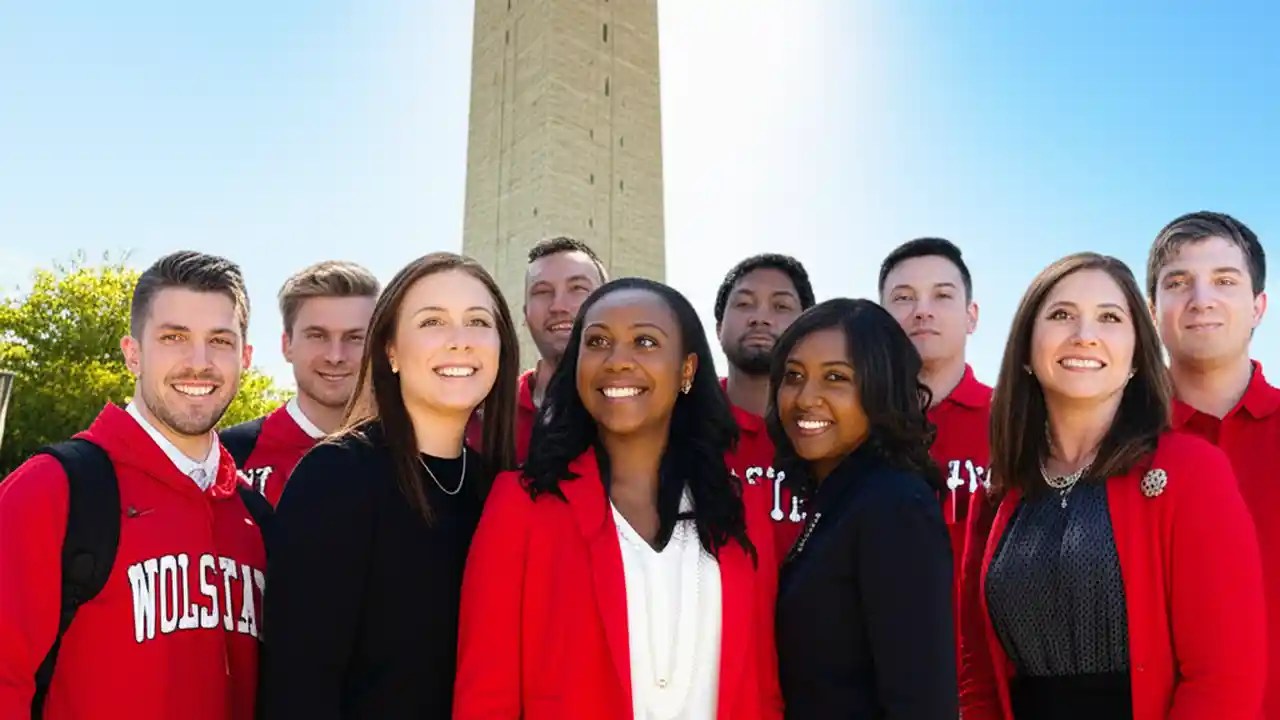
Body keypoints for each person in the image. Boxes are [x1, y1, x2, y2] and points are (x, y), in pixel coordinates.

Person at [454, 278, 782, 719]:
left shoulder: (742, 511)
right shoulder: (520, 506)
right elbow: (485, 697)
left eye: (645, 341)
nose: (617, 361)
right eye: (598, 342)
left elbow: (762, 692)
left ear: (687, 370)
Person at [960, 252, 1265, 719]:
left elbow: (1224, 678)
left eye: (1109, 317)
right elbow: (976, 672)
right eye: (1061, 315)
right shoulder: (998, 494)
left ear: (1137, 357)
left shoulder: (1192, 470)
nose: (1085, 335)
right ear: (1025, 350)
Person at [0, 251, 267, 719]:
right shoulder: (52, 490)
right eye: (174, 337)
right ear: (133, 353)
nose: (199, 362)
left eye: (220, 341)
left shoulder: (256, 516)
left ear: (244, 357)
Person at [259, 252, 519, 719]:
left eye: (478, 321)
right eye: (433, 321)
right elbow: (297, 689)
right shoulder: (337, 477)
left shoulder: (502, 491)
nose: (459, 341)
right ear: (391, 350)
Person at [770, 298, 956, 719]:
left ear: (879, 390)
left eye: (836, 378)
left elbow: (922, 702)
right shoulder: (837, 502)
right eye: (793, 376)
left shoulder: (893, 505)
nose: (805, 397)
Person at [1145, 211, 1280, 718]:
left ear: (1258, 306)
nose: (1202, 300)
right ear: (1152, 310)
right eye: (1178, 283)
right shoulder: (1111, 447)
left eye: (1225, 281)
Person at [878, 237, 993, 678]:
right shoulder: (854, 432)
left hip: (993, 679)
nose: (922, 310)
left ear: (972, 316)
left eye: (942, 295)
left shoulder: (1016, 422)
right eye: (903, 298)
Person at [220, 260, 379, 505]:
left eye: (355, 338)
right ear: (287, 346)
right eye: (317, 336)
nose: (335, 356)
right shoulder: (229, 456)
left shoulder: (411, 458)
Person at [467, 236, 608, 462]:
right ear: (525, 314)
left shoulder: (644, 410)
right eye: (542, 291)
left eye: (578, 288)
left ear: (610, 304)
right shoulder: (487, 420)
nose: (558, 306)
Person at [713, 253, 816, 560]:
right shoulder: (680, 423)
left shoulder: (836, 430)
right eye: (744, 304)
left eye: (781, 306)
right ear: (719, 327)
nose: (761, 317)